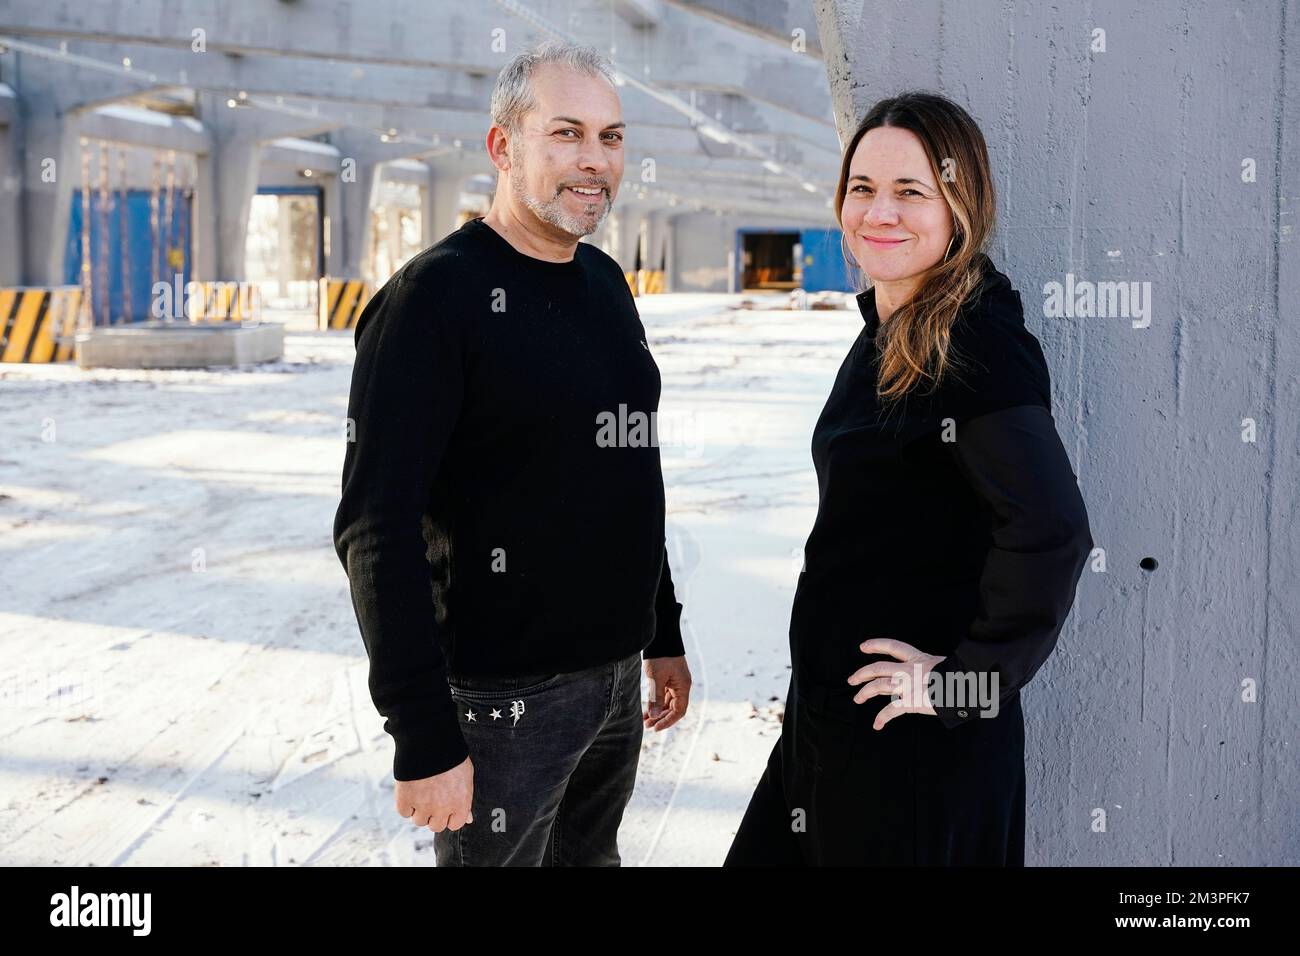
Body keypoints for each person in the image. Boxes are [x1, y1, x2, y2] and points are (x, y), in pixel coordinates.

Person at [333, 40, 692, 867]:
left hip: (611, 686)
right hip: (501, 703)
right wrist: (422, 735)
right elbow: (373, 528)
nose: (594, 161)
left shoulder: (604, 285)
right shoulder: (433, 300)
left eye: (611, 137)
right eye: (566, 133)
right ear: (503, 146)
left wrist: (660, 629)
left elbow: (632, 477)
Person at [724, 91, 1094, 866]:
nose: (878, 211)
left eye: (910, 191)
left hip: (913, 756)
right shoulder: (889, 333)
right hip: (831, 730)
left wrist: (964, 684)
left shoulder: (977, 341)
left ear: (960, 207)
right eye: (862, 188)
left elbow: (1053, 531)